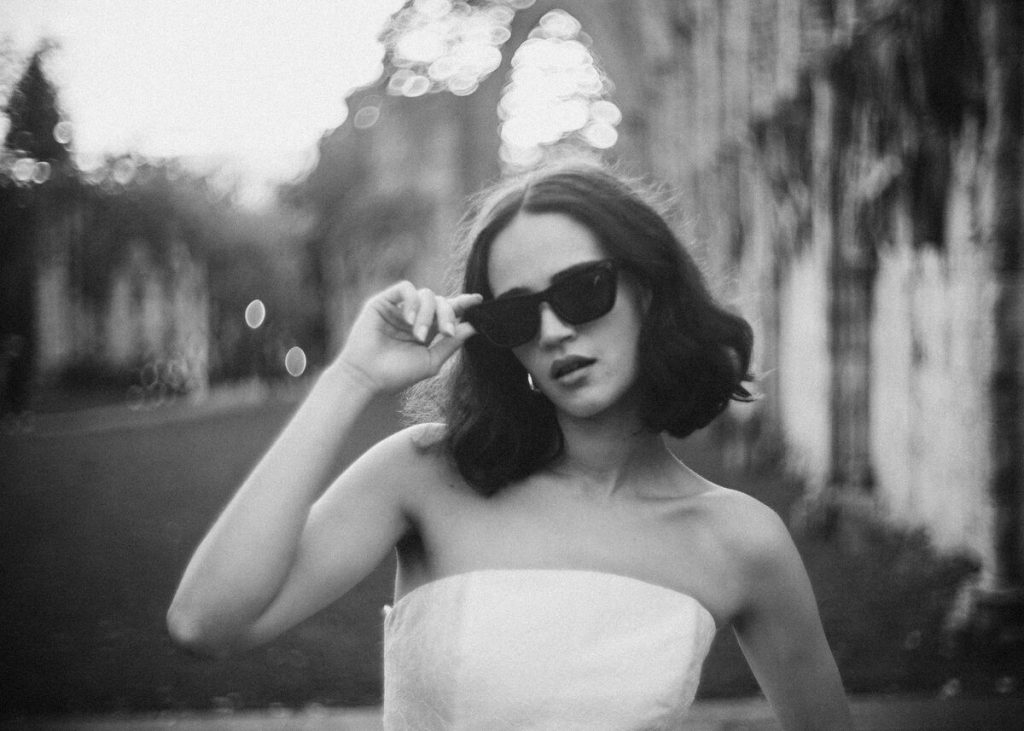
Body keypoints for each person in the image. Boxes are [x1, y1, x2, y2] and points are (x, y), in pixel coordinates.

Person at [168, 161, 852, 729]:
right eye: (517, 311)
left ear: (649, 289)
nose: (554, 330)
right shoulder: (428, 475)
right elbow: (207, 620)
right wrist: (350, 377)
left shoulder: (742, 542)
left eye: (584, 289)